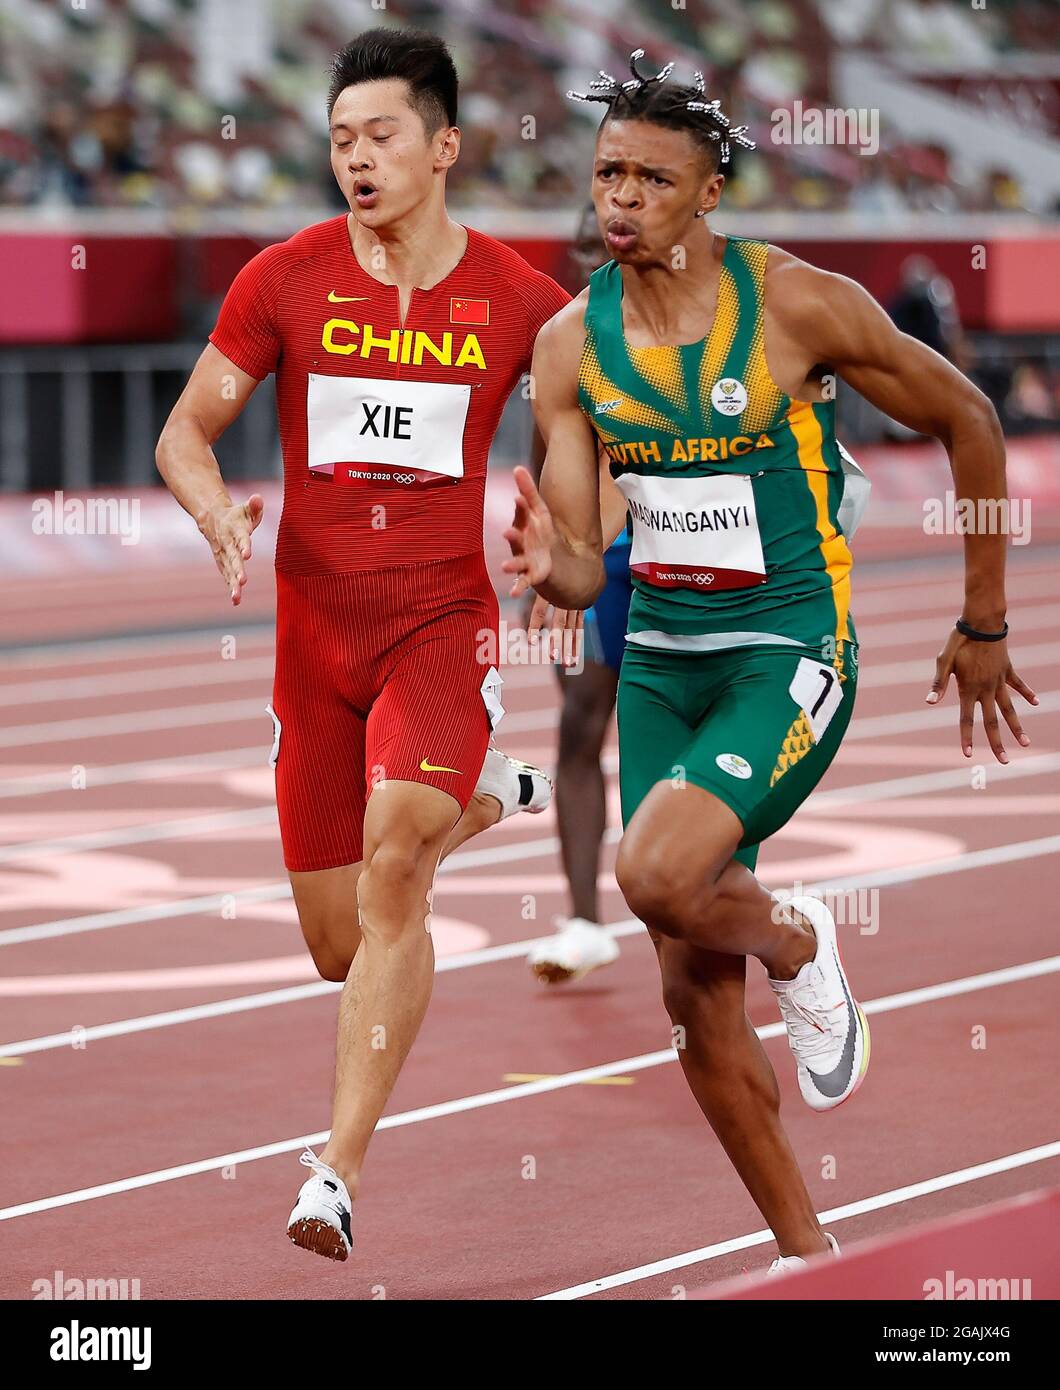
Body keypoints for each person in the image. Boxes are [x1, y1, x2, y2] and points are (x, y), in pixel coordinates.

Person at [504, 51, 1037, 1269]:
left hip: (791, 652)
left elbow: (970, 416)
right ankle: (809, 1252)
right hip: (659, 663)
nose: (620, 198)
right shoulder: (566, 348)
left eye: (650, 177)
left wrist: (984, 618)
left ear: (709, 193)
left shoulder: (798, 304)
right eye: (605, 174)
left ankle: (796, 937)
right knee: (691, 997)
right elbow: (590, 566)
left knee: (651, 871)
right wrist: (554, 566)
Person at [156, 28, 569, 1263]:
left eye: (381, 135)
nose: (356, 159)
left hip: (437, 623)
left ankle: (332, 1171)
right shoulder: (283, 278)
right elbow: (185, 431)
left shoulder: (519, 299)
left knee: (397, 867)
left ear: (443, 147)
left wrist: (563, 514)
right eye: (339, 140)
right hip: (310, 641)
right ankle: (486, 796)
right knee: (341, 947)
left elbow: (597, 412)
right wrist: (213, 503)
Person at [526, 205, 628, 984]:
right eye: (584, 247)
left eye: (612, 243)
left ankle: (711, 902)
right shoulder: (559, 348)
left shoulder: (700, 334)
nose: (598, 258)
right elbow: (538, 473)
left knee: (691, 740)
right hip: (595, 570)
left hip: (679, 564)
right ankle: (585, 919)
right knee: (578, 727)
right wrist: (546, 574)